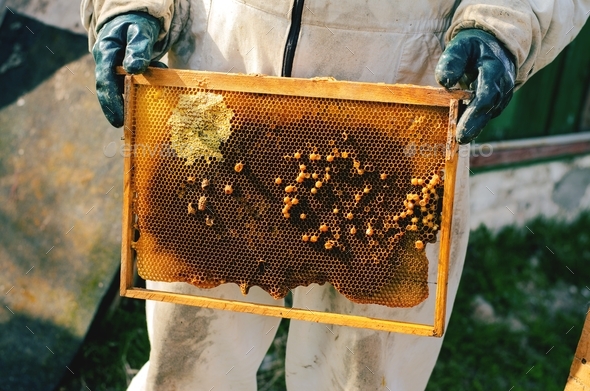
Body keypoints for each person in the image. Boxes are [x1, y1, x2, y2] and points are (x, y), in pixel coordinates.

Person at [81, 1, 589, 390]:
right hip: (218, 98)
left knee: (359, 375)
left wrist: (507, 24)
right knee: (188, 368)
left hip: (392, 117)